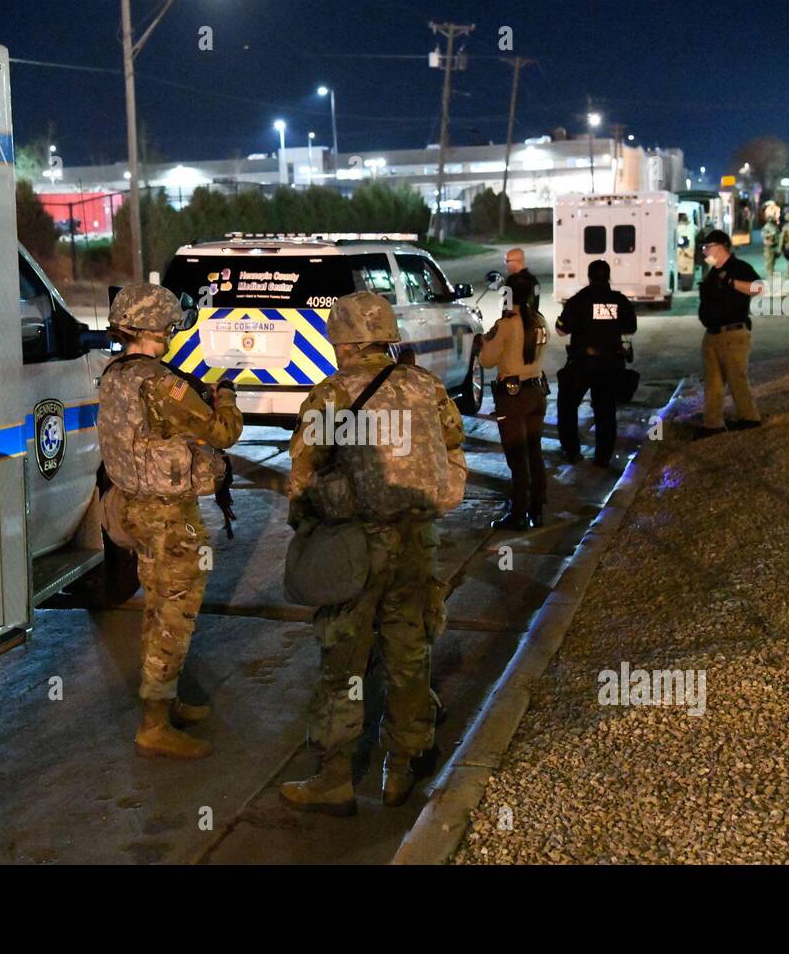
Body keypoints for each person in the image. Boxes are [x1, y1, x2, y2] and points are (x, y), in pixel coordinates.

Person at [280, 291, 464, 813]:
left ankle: (334, 779)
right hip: (416, 543)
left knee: (344, 662)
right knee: (409, 654)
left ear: (342, 340)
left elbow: (302, 473)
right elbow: (453, 445)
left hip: (354, 547)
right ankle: (402, 769)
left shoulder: (330, 395)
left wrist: (307, 522)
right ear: (386, 336)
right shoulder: (425, 387)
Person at [98, 283, 243, 760]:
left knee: (158, 604)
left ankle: (166, 698)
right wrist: (226, 398)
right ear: (159, 326)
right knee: (174, 614)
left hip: (132, 508)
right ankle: (153, 725)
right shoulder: (162, 382)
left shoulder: (116, 375)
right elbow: (224, 433)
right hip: (167, 516)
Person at [555, 260, 637, 467]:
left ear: (589, 276)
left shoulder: (579, 300)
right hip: (610, 364)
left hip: (582, 363)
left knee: (567, 406)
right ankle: (603, 457)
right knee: (606, 411)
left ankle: (572, 451)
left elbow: (561, 330)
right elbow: (631, 328)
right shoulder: (618, 300)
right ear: (608, 276)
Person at [479, 294, 548, 530]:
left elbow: (487, 360)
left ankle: (518, 513)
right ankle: (537, 510)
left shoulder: (506, 325)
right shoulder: (540, 320)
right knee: (534, 451)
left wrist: (485, 341)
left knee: (517, 457)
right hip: (537, 391)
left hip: (513, 397)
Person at [695, 231, 763, 438]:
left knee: (737, 378)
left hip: (732, 333)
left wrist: (732, 282)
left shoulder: (738, 268)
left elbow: (758, 287)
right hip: (712, 334)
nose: (705, 251)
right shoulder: (712, 272)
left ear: (720, 246)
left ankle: (749, 418)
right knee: (712, 382)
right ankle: (713, 424)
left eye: (707, 247)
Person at [503, 247, 540, 319]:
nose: (505, 264)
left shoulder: (513, 281)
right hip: (531, 323)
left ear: (517, 261)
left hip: (515, 325)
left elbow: (509, 308)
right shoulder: (534, 280)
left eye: (507, 261)